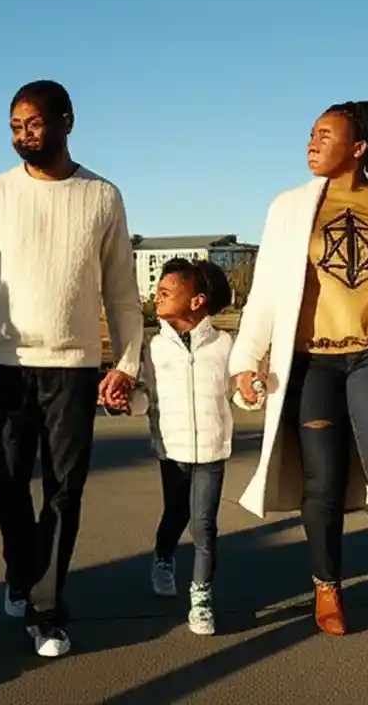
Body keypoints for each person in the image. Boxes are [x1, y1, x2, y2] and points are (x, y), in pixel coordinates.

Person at [229, 100, 368, 661]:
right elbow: (267, 292)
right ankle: (327, 589)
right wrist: (246, 360)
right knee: (320, 483)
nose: (312, 142)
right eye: (311, 133)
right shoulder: (289, 207)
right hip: (311, 361)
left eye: (325, 134)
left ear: (359, 146)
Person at [0, 80, 145, 658]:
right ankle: (23, 567)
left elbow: (122, 293)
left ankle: (46, 607)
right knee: (6, 486)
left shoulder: (102, 197)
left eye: (34, 124)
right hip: (8, 365)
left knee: (65, 491)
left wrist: (128, 363)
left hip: (74, 367)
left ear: (67, 121)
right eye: (15, 126)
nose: (23, 135)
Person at [109, 257, 236, 636]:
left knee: (205, 525)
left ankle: (201, 598)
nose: (157, 296)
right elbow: (147, 398)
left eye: (167, 291)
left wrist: (256, 389)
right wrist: (124, 402)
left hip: (213, 448)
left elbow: (238, 394)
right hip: (172, 448)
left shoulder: (225, 345)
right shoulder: (154, 348)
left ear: (196, 301)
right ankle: (163, 557)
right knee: (176, 512)